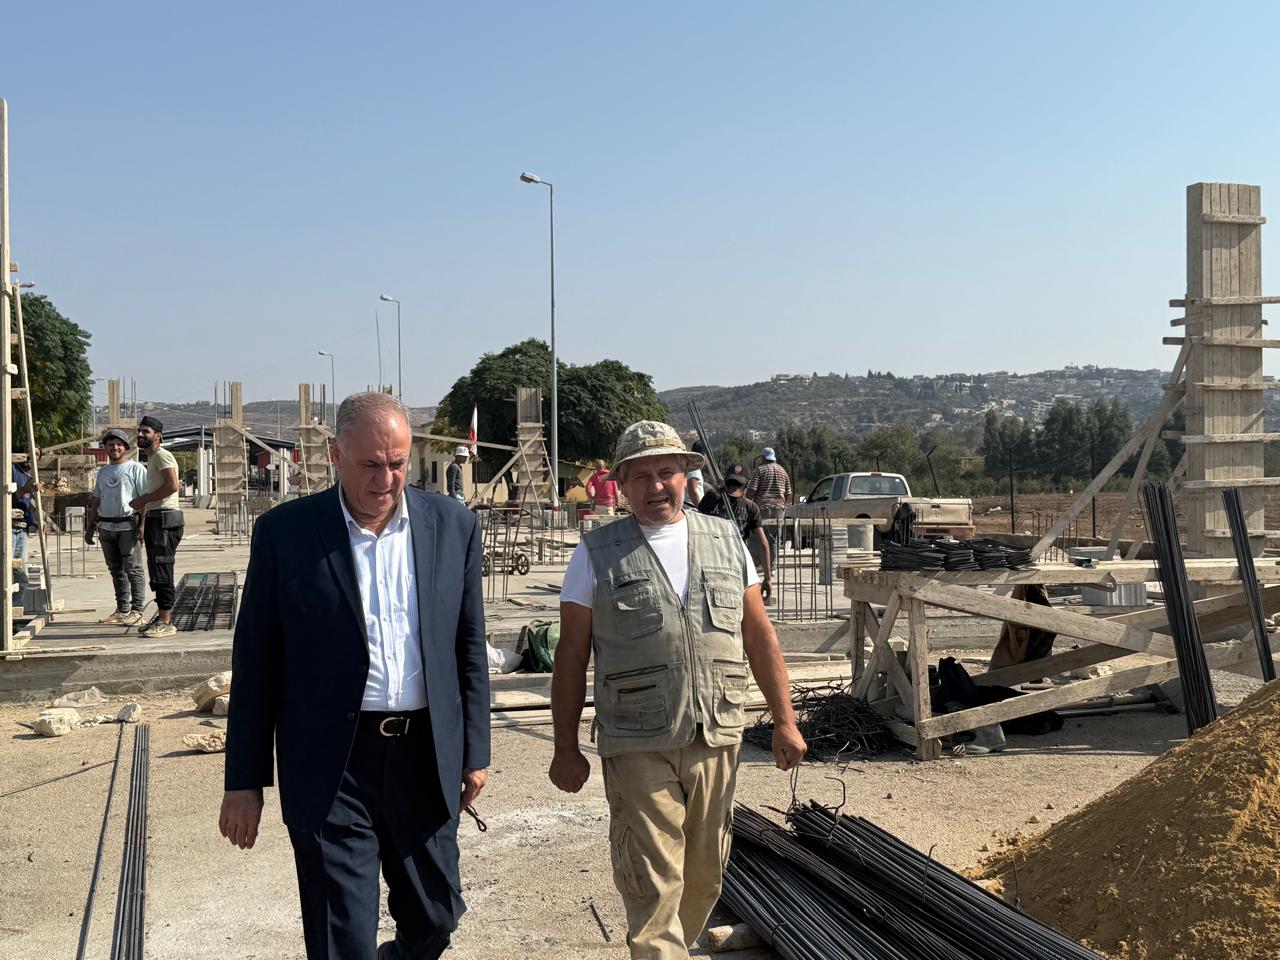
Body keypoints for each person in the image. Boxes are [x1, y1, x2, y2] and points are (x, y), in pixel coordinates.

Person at [220, 392, 490, 960]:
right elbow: (256, 664)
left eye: (397, 463)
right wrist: (244, 780)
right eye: (371, 464)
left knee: (437, 917)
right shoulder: (286, 535)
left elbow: (467, 647)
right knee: (342, 939)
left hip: (423, 758)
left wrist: (475, 752)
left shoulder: (453, 526)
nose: (386, 479)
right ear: (334, 454)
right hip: (333, 765)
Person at [550, 420, 805, 959]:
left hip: (715, 730)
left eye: (666, 471)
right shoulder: (595, 553)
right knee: (653, 882)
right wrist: (565, 747)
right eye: (639, 476)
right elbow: (571, 656)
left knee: (705, 876)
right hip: (636, 739)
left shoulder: (725, 540)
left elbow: (758, 633)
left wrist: (785, 719)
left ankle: (670, 947)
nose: (655, 485)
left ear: (688, 476)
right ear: (620, 484)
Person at [84, 429, 150, 625]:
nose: (115, 447)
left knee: (133, 569)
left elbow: (145, 499)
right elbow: (97, 499)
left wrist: (143, 525)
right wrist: (91, 525)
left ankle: (137, 610)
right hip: (106, 527)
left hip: (127, 526)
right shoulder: (103, 472)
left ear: (125, 448)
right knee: (116, 570)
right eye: (111, 444)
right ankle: (122, 609)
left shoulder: (136, 469)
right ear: (105, 448)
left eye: (119, 444)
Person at [127, 416, 183, 638]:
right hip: (155, 519)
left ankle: (167, 622)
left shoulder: (162, 455)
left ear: (157, 436)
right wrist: (144, 515)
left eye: (146, 431)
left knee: (162, 569)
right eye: (139, 431)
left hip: (165, 519)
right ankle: (161, 617)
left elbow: (172, 485)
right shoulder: (152, 459)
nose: (140, 435)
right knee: (156, 570)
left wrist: (142, 500)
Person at [698, 468, 771, 604]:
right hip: (735, 566)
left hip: (709, 563)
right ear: (747, 485)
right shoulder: (751, 507)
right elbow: (763, 543)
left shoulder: (711, 498)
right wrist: (767, 578)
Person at [745, 447, 792, 567]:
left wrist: (747, 505)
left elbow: (751, 490)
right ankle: (773, 566)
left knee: (756, 537)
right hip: (778, 509)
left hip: (762, 507)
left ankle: (756, 564)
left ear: (763, 458)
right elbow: (788, 493)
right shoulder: (783, 471)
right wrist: (782, 504)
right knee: (774, 538)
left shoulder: (759, 470)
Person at [11, 453, 39, 602]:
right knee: (11, 575)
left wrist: (37, 521)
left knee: (21, 576)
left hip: (22, 530)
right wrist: (23, 490)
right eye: (29, 453)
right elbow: (8, 494)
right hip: (9, 528)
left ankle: (13, 617)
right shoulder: (11, 470)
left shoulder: (30, 477)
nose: (32, 457)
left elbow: (30, 505)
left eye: (37, 455)